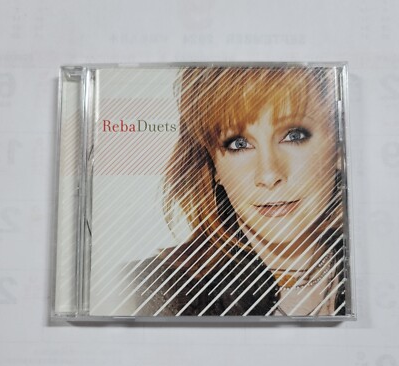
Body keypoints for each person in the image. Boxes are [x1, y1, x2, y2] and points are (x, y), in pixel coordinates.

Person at [124, 66, 345, 317]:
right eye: (239, 144)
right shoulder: (143, 293)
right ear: (214, 166)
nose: (268, 175)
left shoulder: (368, 271)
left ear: (338, 148)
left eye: (294, 135)